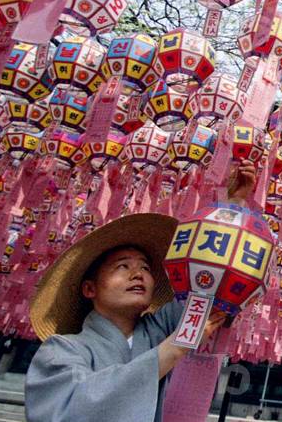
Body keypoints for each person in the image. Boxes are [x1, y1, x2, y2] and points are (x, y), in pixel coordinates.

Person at [25, 161, 257, 422]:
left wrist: (233, 205)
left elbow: (209, 286)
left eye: (145, 267)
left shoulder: (158, 330)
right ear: (89, 288)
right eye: (122, 266)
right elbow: (73, 411)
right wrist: (173, 348)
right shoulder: (62, 350)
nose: (138, 274)